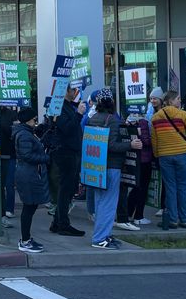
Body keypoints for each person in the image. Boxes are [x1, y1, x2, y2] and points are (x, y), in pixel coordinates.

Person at [88, 88, 136, 249]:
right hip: (112, 166)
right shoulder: (113, 120)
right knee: (108, 204)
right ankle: (100, 237)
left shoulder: (94, 118)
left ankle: (102, 235)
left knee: (100, 202)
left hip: (95, 165)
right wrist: (131, 144)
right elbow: (113, 145)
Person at [150, 90, 186, 230]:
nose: (179, 101)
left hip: (165, 156)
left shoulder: (155, 118)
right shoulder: (182, 114)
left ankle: (173, 219)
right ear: (170, 101)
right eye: (177, 99)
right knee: (183, 187)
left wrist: (157, 155)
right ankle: (184, 219)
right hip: (182, 154)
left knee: (170, 188)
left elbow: (154, 140)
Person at [13, 106, 51, 253]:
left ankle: (26, 238)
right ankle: (25, 240)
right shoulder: (24, 135)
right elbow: (27, 156)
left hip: (29, 173)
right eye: (35, 119)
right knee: (29, 206)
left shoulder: (26, 133)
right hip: (28, 174)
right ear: (28, 120)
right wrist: (46, 158)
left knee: (32, 205)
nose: (36, 121)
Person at [50, 87, 86, 237]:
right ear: (66, 91)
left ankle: (58, 221)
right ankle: (63, 224)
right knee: (66, 189)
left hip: (71, 151)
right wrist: (78, 114)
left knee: (68, 189)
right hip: (66, 152)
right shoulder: (59, 107)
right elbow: (67, 128)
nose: (74, 93)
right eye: (73, 91)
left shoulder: (67, 106)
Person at [123, 105, 154, 227]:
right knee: (142, 188)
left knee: (135, 188)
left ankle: (129, 213)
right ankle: (138, 216)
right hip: (144, 160)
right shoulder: (144, 122)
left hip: (132, 159)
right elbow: (146, 141)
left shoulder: (127, 121)